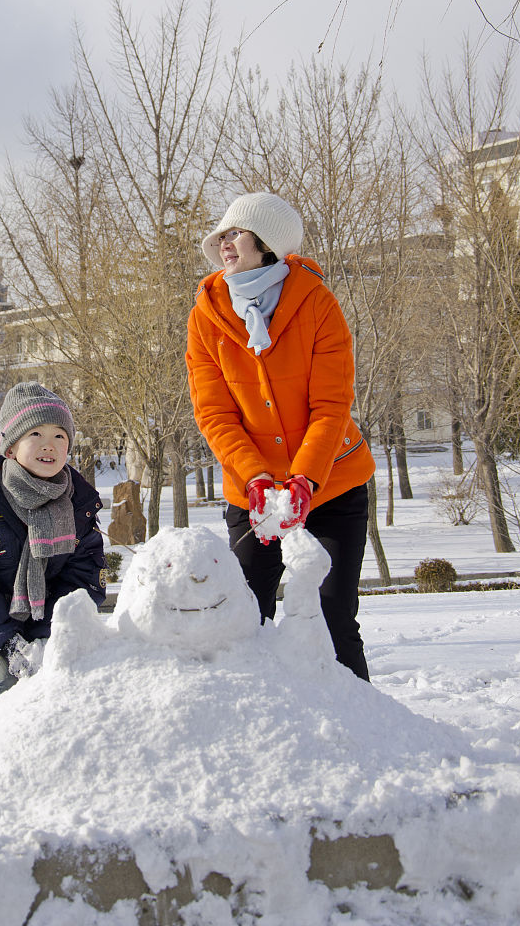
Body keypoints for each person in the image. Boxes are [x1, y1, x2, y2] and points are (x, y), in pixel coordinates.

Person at [185, 191, 376, 680]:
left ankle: (367, 737)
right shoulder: (206, 314)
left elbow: (330, 406)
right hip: (253, 493)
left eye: (237, 232)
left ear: (266, 242)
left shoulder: (317, 303)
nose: (225, 242)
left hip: (331, 483)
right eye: (222, 234)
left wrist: (304, 481)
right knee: (245, 615)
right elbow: (214, 413)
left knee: (335, 618)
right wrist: (255, 479)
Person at [0, 381, 107, 698]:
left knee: (67, 679)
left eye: (59, 436)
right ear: (10, 447)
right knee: (7, 682)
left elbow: (85, 571)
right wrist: (4, 636)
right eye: (35, 434)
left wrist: (47, 633)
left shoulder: (78, 503)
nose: (49, 445)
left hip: (46, 621)